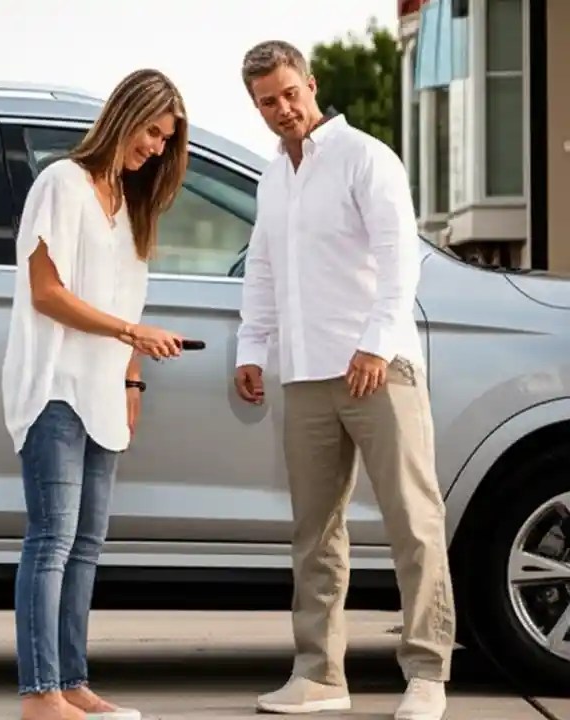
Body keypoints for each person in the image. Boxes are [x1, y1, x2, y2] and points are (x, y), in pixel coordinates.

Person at [232, 40, 455, 720]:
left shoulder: (366, 158)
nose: (282, 110)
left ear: (312, 83)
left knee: (412, 521)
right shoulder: (273, 178)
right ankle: (320, 675)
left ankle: (427, 673)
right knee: (316, 532)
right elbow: (264, 270)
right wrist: (251, 346)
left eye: (290, 93)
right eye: (267, 101)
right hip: (304, 374)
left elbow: (399, 265)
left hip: (377, 371)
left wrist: (375, 347)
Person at [1, 68, 190, 720]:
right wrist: (133, 333)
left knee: (86, 544)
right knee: (51, 538)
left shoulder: (127, 206)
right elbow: (47, 293)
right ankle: (39, 695)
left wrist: (132, 374)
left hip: (103, 391)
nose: (156, 149)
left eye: (166, 140)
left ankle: (73, 684)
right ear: (124, 115)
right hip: (55, 385)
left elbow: (125, 301)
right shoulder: (62, 183)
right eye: (151, 131)